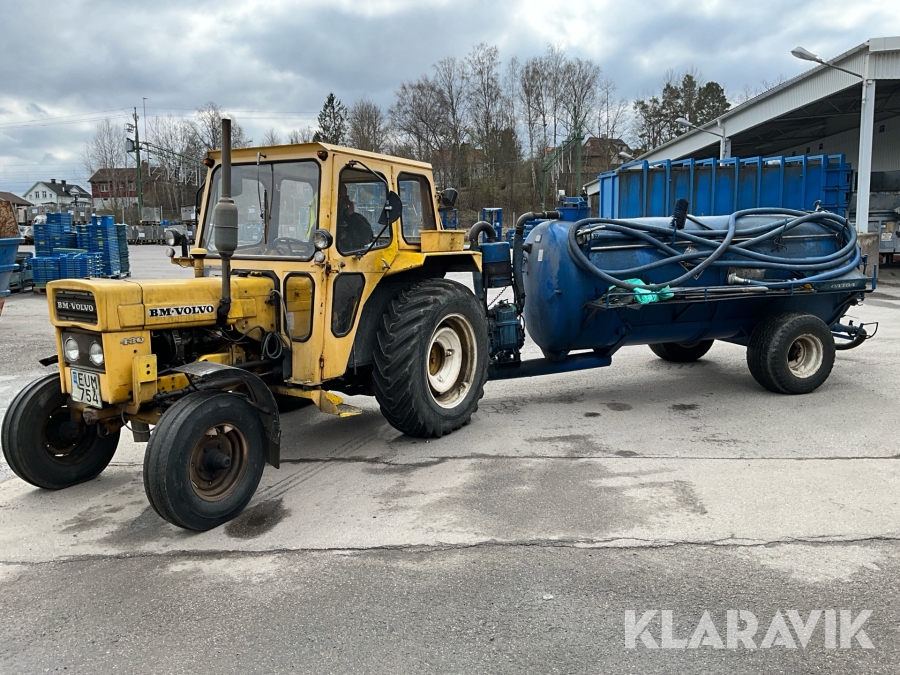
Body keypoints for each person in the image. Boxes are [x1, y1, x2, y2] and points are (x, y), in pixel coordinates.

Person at [336, 182, 372, 253]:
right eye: (339, 196)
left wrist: (352, 215)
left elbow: (367, 238)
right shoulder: (326, 218)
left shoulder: (354, 218)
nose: (342, 200)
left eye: (345, 197)